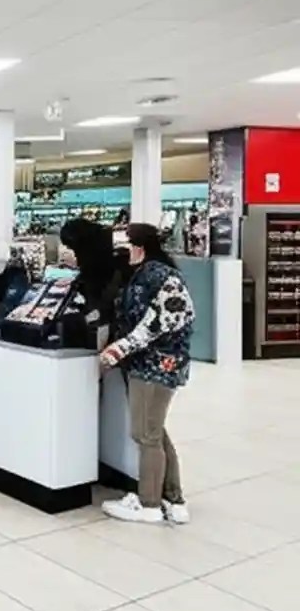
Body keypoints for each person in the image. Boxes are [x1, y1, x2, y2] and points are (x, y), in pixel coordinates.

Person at [99, 223, 196, 524]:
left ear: (138, 246)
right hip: (148, 363)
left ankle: (149, 504)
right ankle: (174, 499)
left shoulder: (161, 276)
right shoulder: (144, 274)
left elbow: (163, 320)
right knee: (155, 430)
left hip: (156, 365)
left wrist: (121, 348)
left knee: (145, 434)